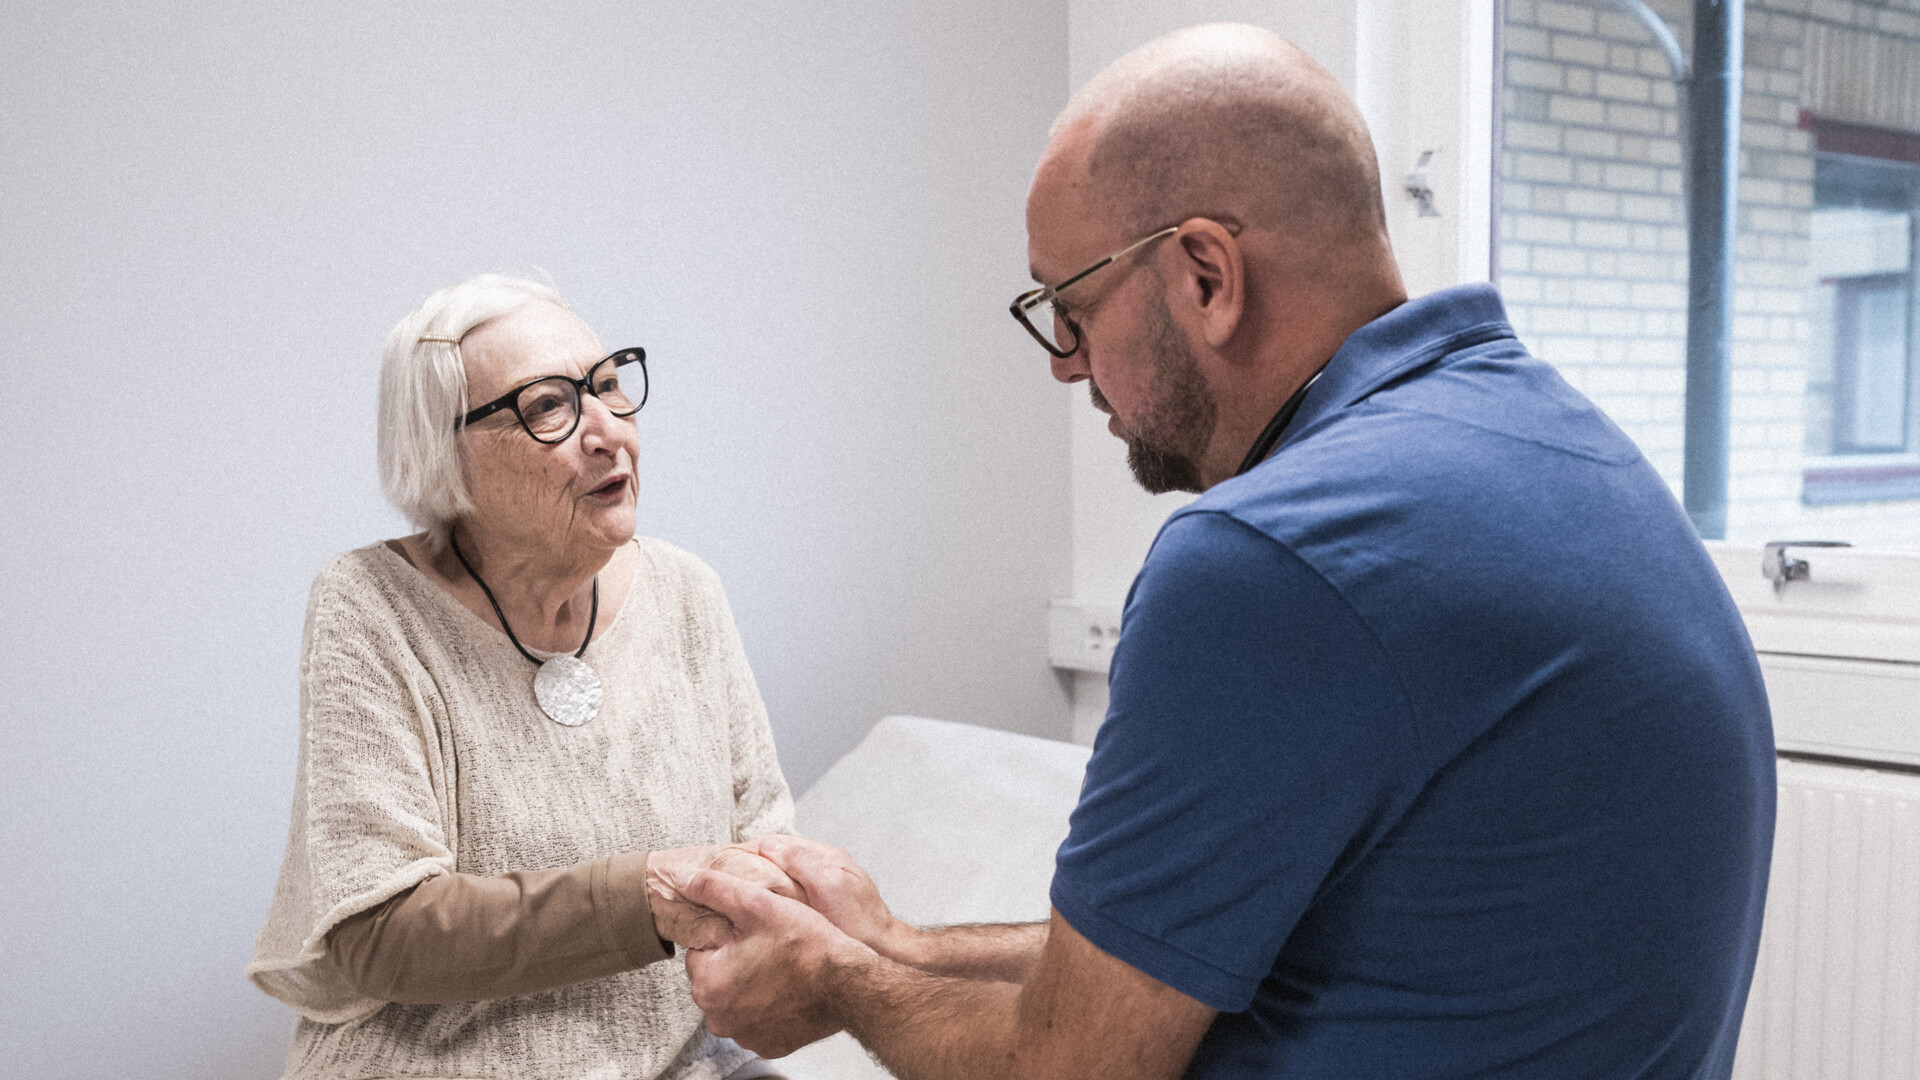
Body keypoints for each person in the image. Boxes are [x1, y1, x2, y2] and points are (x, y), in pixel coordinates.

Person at [671, 23, 1776, 1080]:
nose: (1064, 363)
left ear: (1205, 275)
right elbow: (1169, 959)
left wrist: (835, 985)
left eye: (1070, 307)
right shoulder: (1556, 444)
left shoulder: (1267, 558)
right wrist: (894, 945)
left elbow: (1063, 1065)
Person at [246, 273, 802, 1080]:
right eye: (550, 407)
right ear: (444, 455)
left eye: (608, 385)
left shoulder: (686, 592)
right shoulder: (370, 608)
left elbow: (761, 834)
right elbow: (380, 930)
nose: (608, 431)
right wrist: (646, 897)